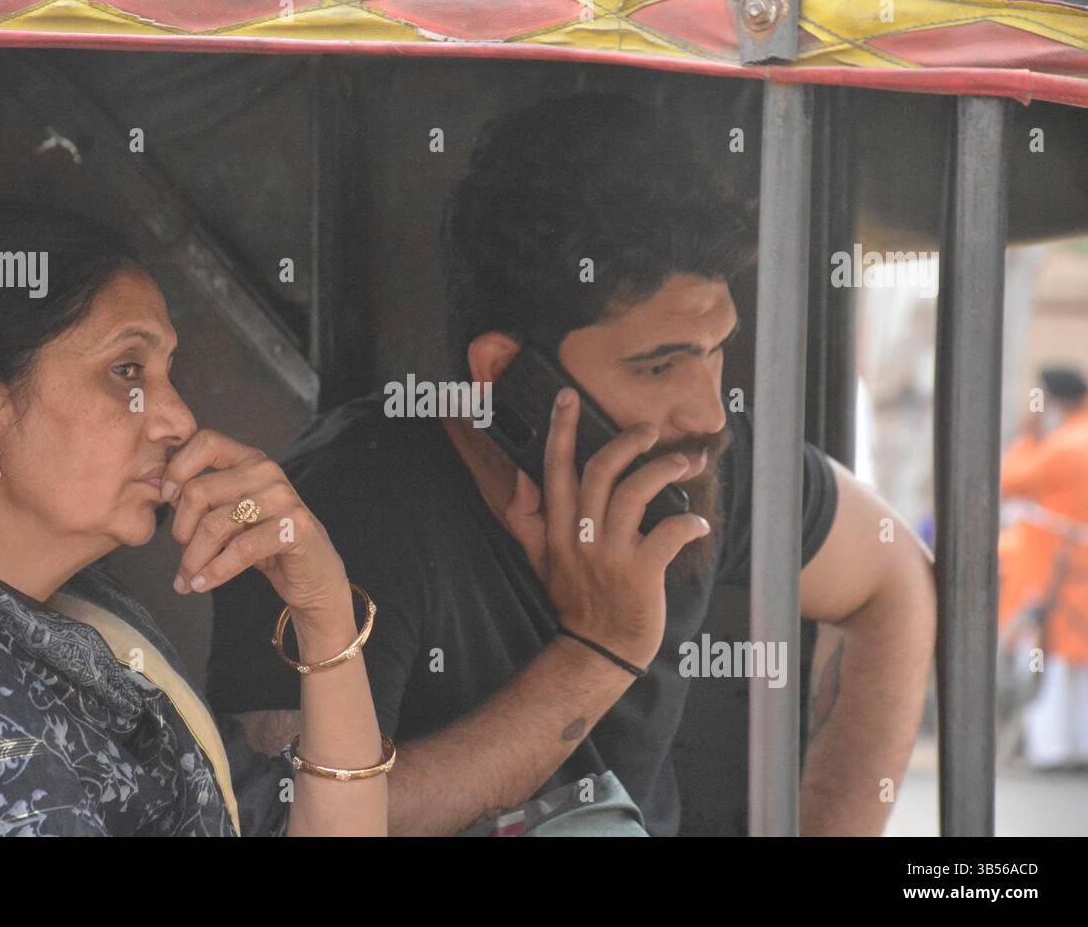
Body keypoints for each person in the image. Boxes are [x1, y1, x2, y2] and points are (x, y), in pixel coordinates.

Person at [207, 92, 938, 837]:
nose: (710, 413)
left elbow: (895, 579)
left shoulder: (693, 462)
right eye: (659, 368)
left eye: (715, 352)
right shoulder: (344, 518)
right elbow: (292, 818)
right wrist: (599, 651)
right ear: (507, 377)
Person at [0, 202, 388, 836]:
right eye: (126, 369)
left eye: (166, 373)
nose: (178, 419)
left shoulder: (85, 631)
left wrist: (324, 615)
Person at [999, 365, 1088, 767]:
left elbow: (1009, 479)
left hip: (1059, 574)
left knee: (1047, 661)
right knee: (1076, 667)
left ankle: (1052, 748)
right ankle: (1076, 746)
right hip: (1074, 573)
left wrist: (1027, 433)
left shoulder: (1066, 446)